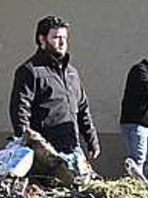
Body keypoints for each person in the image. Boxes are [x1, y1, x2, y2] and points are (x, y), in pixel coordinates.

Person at [10, 15, 100, 161]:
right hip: (45, 150)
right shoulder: (30, 71)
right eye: (56, 37)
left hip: (71, 145)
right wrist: (26, 142)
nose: (62, 42)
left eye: (64, 38)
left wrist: (92, 141)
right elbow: (20, 110)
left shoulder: (71, 73)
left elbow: (83, 109)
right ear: (42, 39)